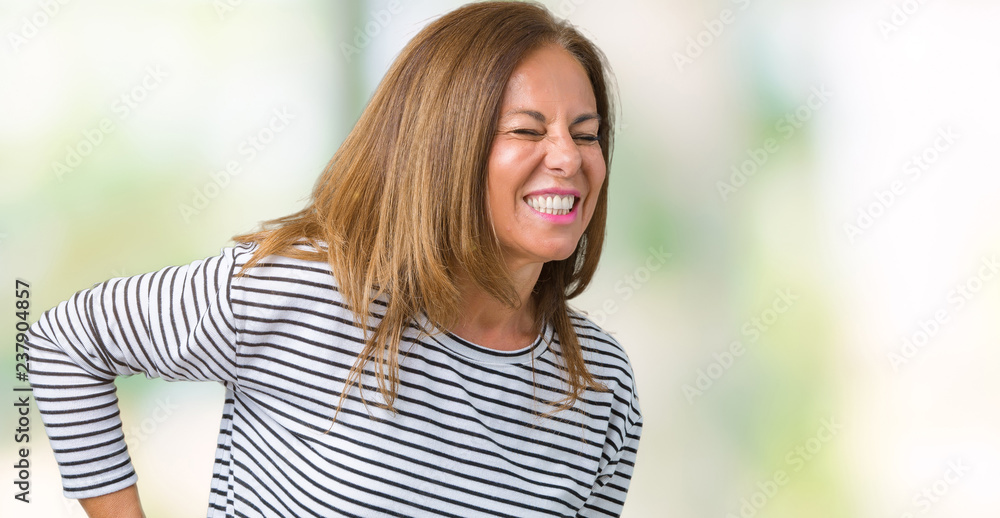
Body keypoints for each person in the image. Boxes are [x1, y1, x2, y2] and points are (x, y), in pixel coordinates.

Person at [27, 2, 642, 516]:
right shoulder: (307, 290)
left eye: (586, 134)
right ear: (442, 147)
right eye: (527, 130)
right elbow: (65, 343)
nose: (569, 158)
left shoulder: (602, 384)